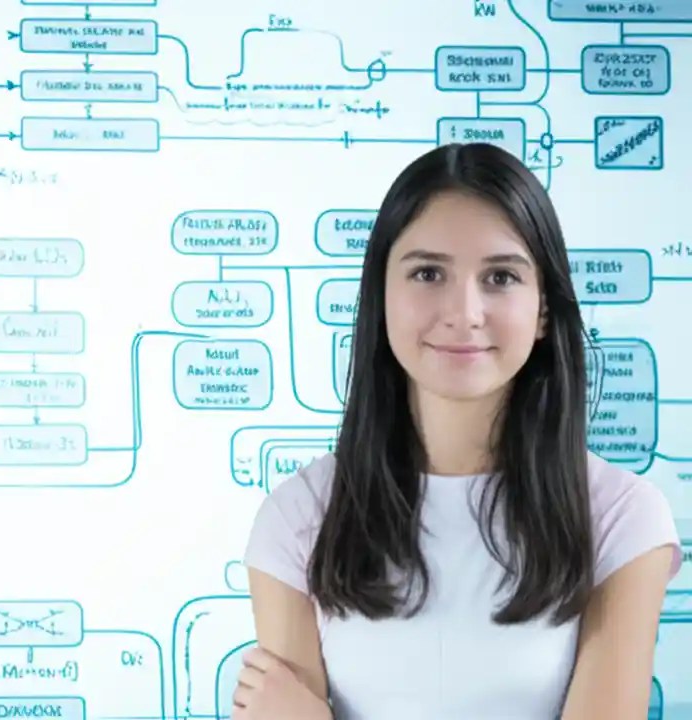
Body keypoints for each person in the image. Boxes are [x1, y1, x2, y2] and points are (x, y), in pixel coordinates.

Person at [234, 142, 682, 719]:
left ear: (544, 309)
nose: (464, 311)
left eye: (500, 276)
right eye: (427, 273)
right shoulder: (298, 518)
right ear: (382, 297)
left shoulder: (622, 519)